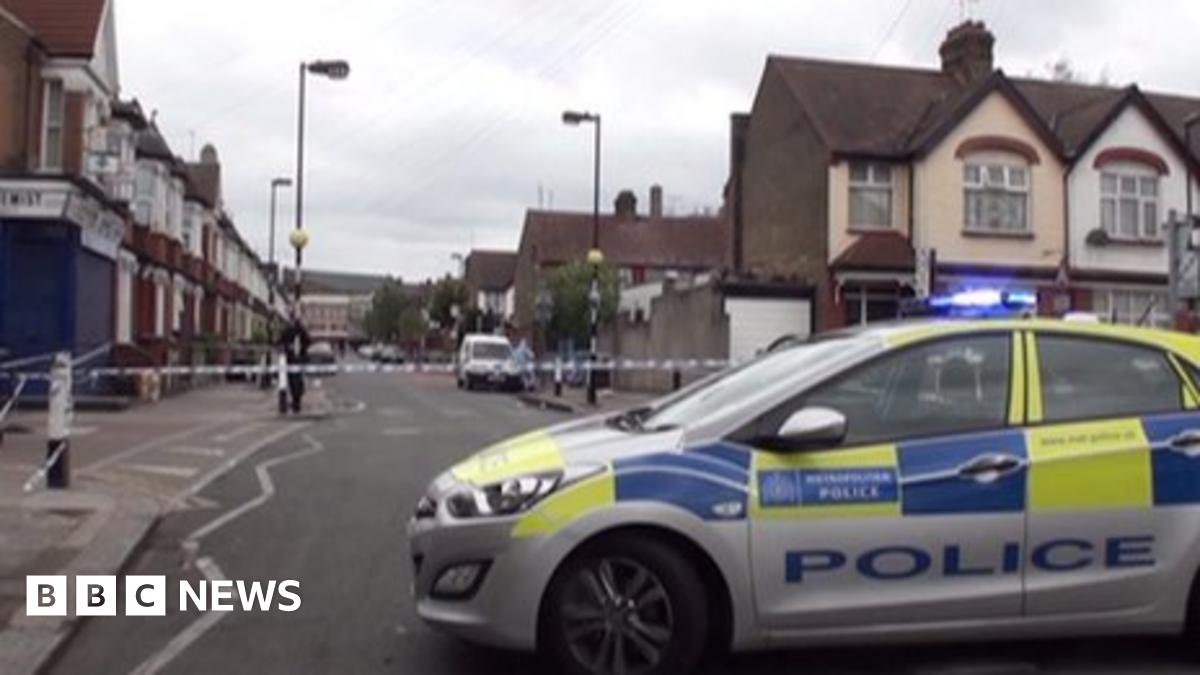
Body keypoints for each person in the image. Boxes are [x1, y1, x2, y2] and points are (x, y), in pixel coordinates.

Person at [278, 312, 311, 414]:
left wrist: (287, 347)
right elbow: (308, 341)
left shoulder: (291, 330)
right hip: (295, 360)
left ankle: (295, 403)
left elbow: (280, 342)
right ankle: (296, 403)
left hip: (292, 360)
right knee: (296, 382)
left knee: (294, 382)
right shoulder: (299, 330)